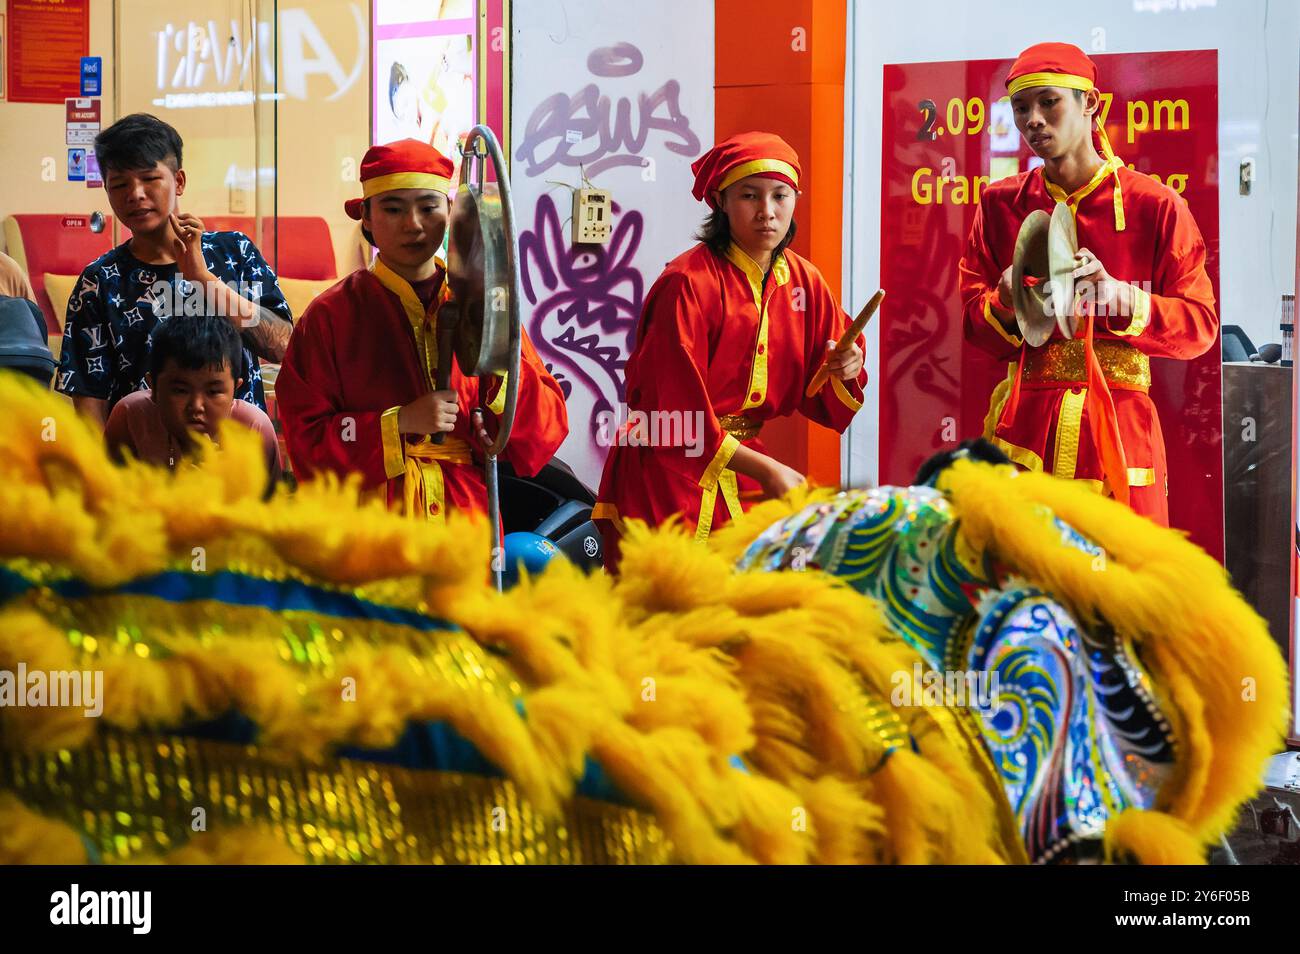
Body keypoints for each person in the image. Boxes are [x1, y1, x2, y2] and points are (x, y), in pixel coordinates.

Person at [959, 42, 1217, 526]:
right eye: (1020, 107)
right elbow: (974, 326)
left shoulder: (1155, 205)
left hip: (1119, 432)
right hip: (1027, 427)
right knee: (1022, 578)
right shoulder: (999, 205)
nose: (1033, 119)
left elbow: (1200, 327)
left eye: (1048, 102)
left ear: (1091, 104)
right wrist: (1004, 301)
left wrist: (1121, 297)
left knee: (1118, 585)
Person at [593, 131, 866, 567]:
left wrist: (847, 366)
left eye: (780, 195)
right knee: (671, 608)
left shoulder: (804, 282)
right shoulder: (687, 283)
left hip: (740, 461)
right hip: (667, 466)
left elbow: (824, 378)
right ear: (720, 200)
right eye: (749, 196)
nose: (767, 212)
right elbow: (673, 413)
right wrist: (769, 470)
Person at [274, 138, 568, 521]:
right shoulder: (329, 318)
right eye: (393, 209)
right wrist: (400, 423)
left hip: (464, 528)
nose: (412, 225)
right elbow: (305, 440)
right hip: (369, 534)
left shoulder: (484, 308)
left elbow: (545, 431)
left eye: (428, 208)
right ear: (366, 216)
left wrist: (496, 369)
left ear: (450, 211)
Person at [56, 113, 295, 428]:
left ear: (178, 181)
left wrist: (204, 280)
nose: (135, 193)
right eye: (119, 184)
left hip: (238, 461)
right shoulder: (99, 282)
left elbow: (284, 347)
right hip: (144, 466)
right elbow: (90, 404)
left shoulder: (234, 252)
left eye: (149, 178)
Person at [105, 313, 282, 486]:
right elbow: (105, 503)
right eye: (181, 390)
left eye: (213, 392)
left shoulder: (253, 429)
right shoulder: (131, 418)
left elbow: (271, 511)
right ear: (154, 388)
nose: (196, 406)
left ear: (235, 389)